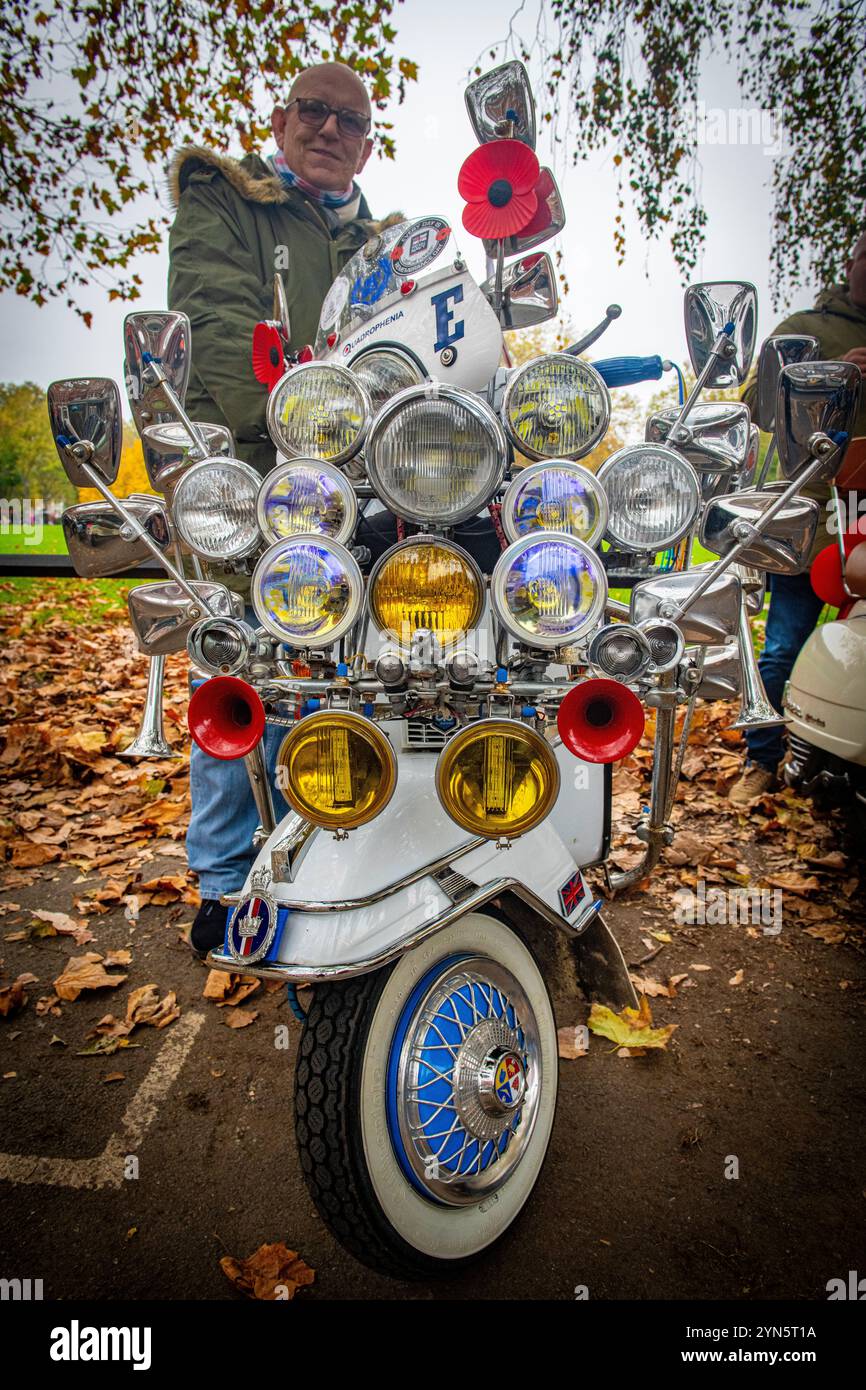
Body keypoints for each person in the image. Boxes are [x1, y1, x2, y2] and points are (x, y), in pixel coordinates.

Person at [167, 62, 398, 954]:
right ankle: (225, 878)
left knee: (362, 661)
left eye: (350, 120)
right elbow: (217, 327)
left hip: (374, 482)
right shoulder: (227, 201)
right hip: (256, 465)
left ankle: (327, 848)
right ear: (280, 118)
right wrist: (305, 438)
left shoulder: (388, 243)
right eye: (314, 111)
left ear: (368, 143)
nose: (330, 130)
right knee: (240, 658)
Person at [729, 230, 866, 804]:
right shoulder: (810, 326)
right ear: (853, 260)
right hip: (815, 518)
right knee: (784, 643)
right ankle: (760, 761)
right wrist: (830, 372)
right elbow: (756, 402)